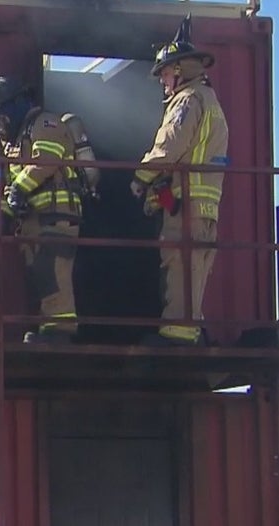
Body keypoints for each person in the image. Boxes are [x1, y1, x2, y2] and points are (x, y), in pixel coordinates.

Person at [130, 14, 228, 346]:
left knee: (180, 261)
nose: (162, 81)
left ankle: (179, 333)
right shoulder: (209, 100)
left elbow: (169, 146)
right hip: (203, 204)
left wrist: (141, 177)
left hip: (188, 203)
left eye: (165, 73)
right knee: (194, 266)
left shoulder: (187, 100)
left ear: (180, 70)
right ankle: (190, 327)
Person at [0, 75, 84, 344]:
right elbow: (11, 184)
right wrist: (4, 212)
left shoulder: (45, 123)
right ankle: (49, 325)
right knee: (41, 275)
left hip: (57, 214)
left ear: (17, 105)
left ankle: (60, 331)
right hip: (35, 219)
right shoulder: (15, 141)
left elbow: (46, 161)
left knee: (54, 272)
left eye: (0, 115)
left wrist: (18, 190)